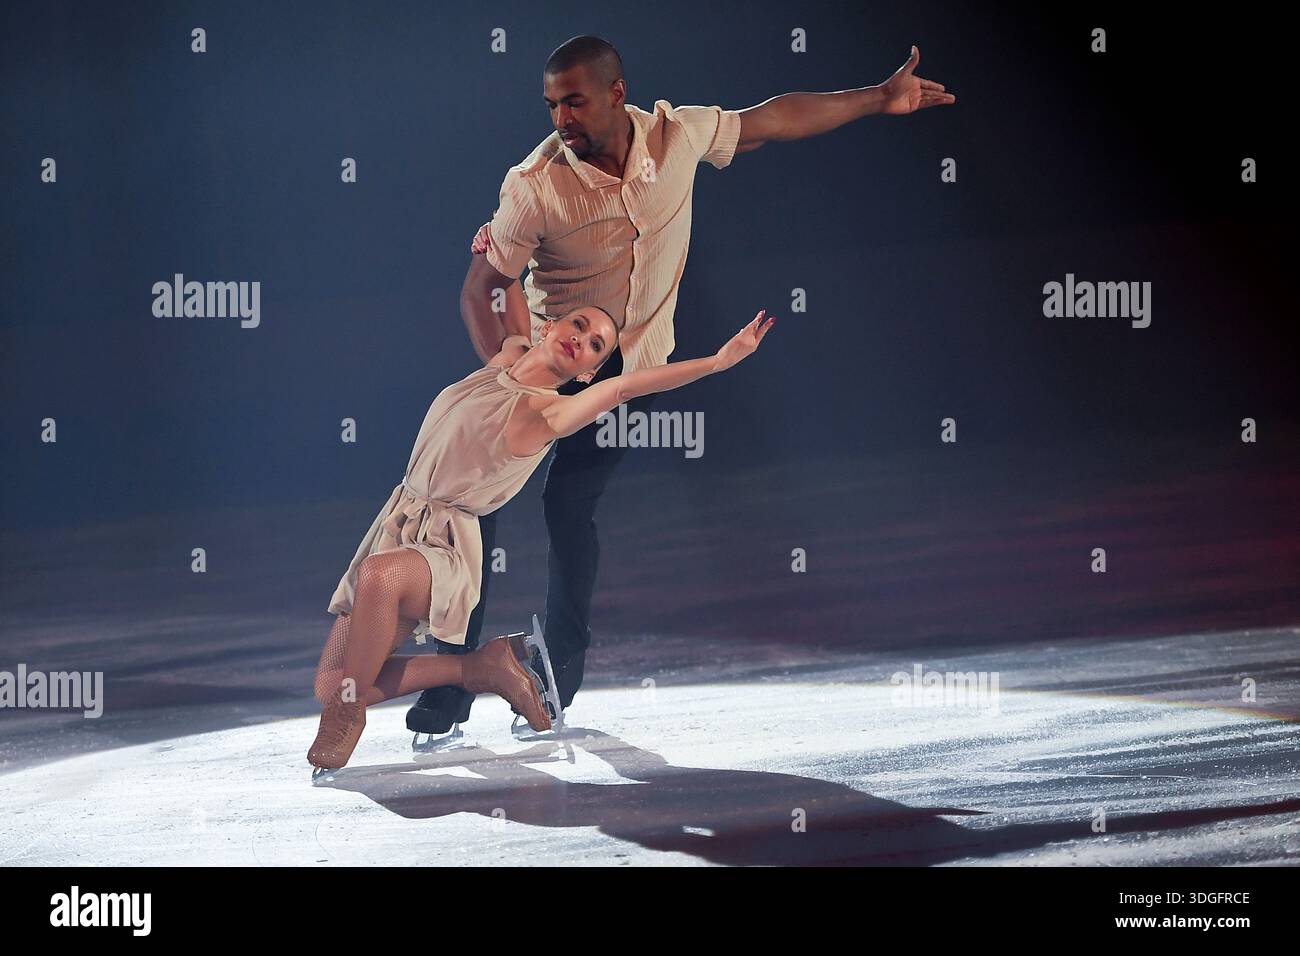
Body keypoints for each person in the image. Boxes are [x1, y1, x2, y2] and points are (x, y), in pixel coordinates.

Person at [408, 34, 955, 738]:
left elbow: (774, 118)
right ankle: (452, 690)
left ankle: (554, 675)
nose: (560, 119)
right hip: (549, 364)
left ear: (615, 93)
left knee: (570, 506)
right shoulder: (535, 185)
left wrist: (878, 98)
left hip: (633, 369)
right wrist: (506, 373)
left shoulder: (679, 136)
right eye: (550, 106)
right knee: (475, 504)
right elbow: (486, 284)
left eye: (574, 102)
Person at [308, 306, 776, 770]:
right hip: (397, 523)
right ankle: (481, 667)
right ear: (549, 326)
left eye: (596, 345)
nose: (583, 339)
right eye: (578, 325)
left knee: (379, 577)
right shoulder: (503, 361)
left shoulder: (548, 413)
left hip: (444, 548)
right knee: (334, 685)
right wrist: (494, 243)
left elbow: (626, 386)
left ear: (588, 371)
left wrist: (718, 361)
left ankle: (349, 723)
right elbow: (508, 286)